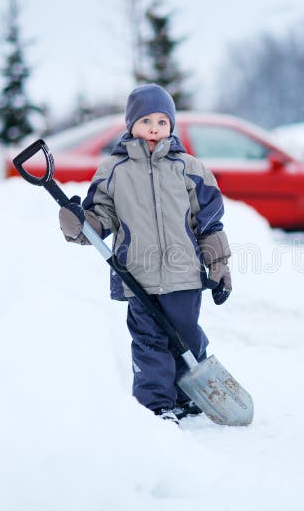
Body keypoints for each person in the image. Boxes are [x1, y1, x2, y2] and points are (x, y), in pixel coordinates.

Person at [58, 84, 232, 424]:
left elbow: (210, 222)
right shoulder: (114, 171)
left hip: (183, 276)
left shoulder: (190, 168)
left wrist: (219, 265)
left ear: (172, 126)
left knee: (187, 336)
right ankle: (157, 404)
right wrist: (77, 224)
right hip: (137, 276)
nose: (154, 128)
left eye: (162, 121)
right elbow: (98, 220)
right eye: (146, 120)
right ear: (130, 125)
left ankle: (189, 394)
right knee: (149, 343)